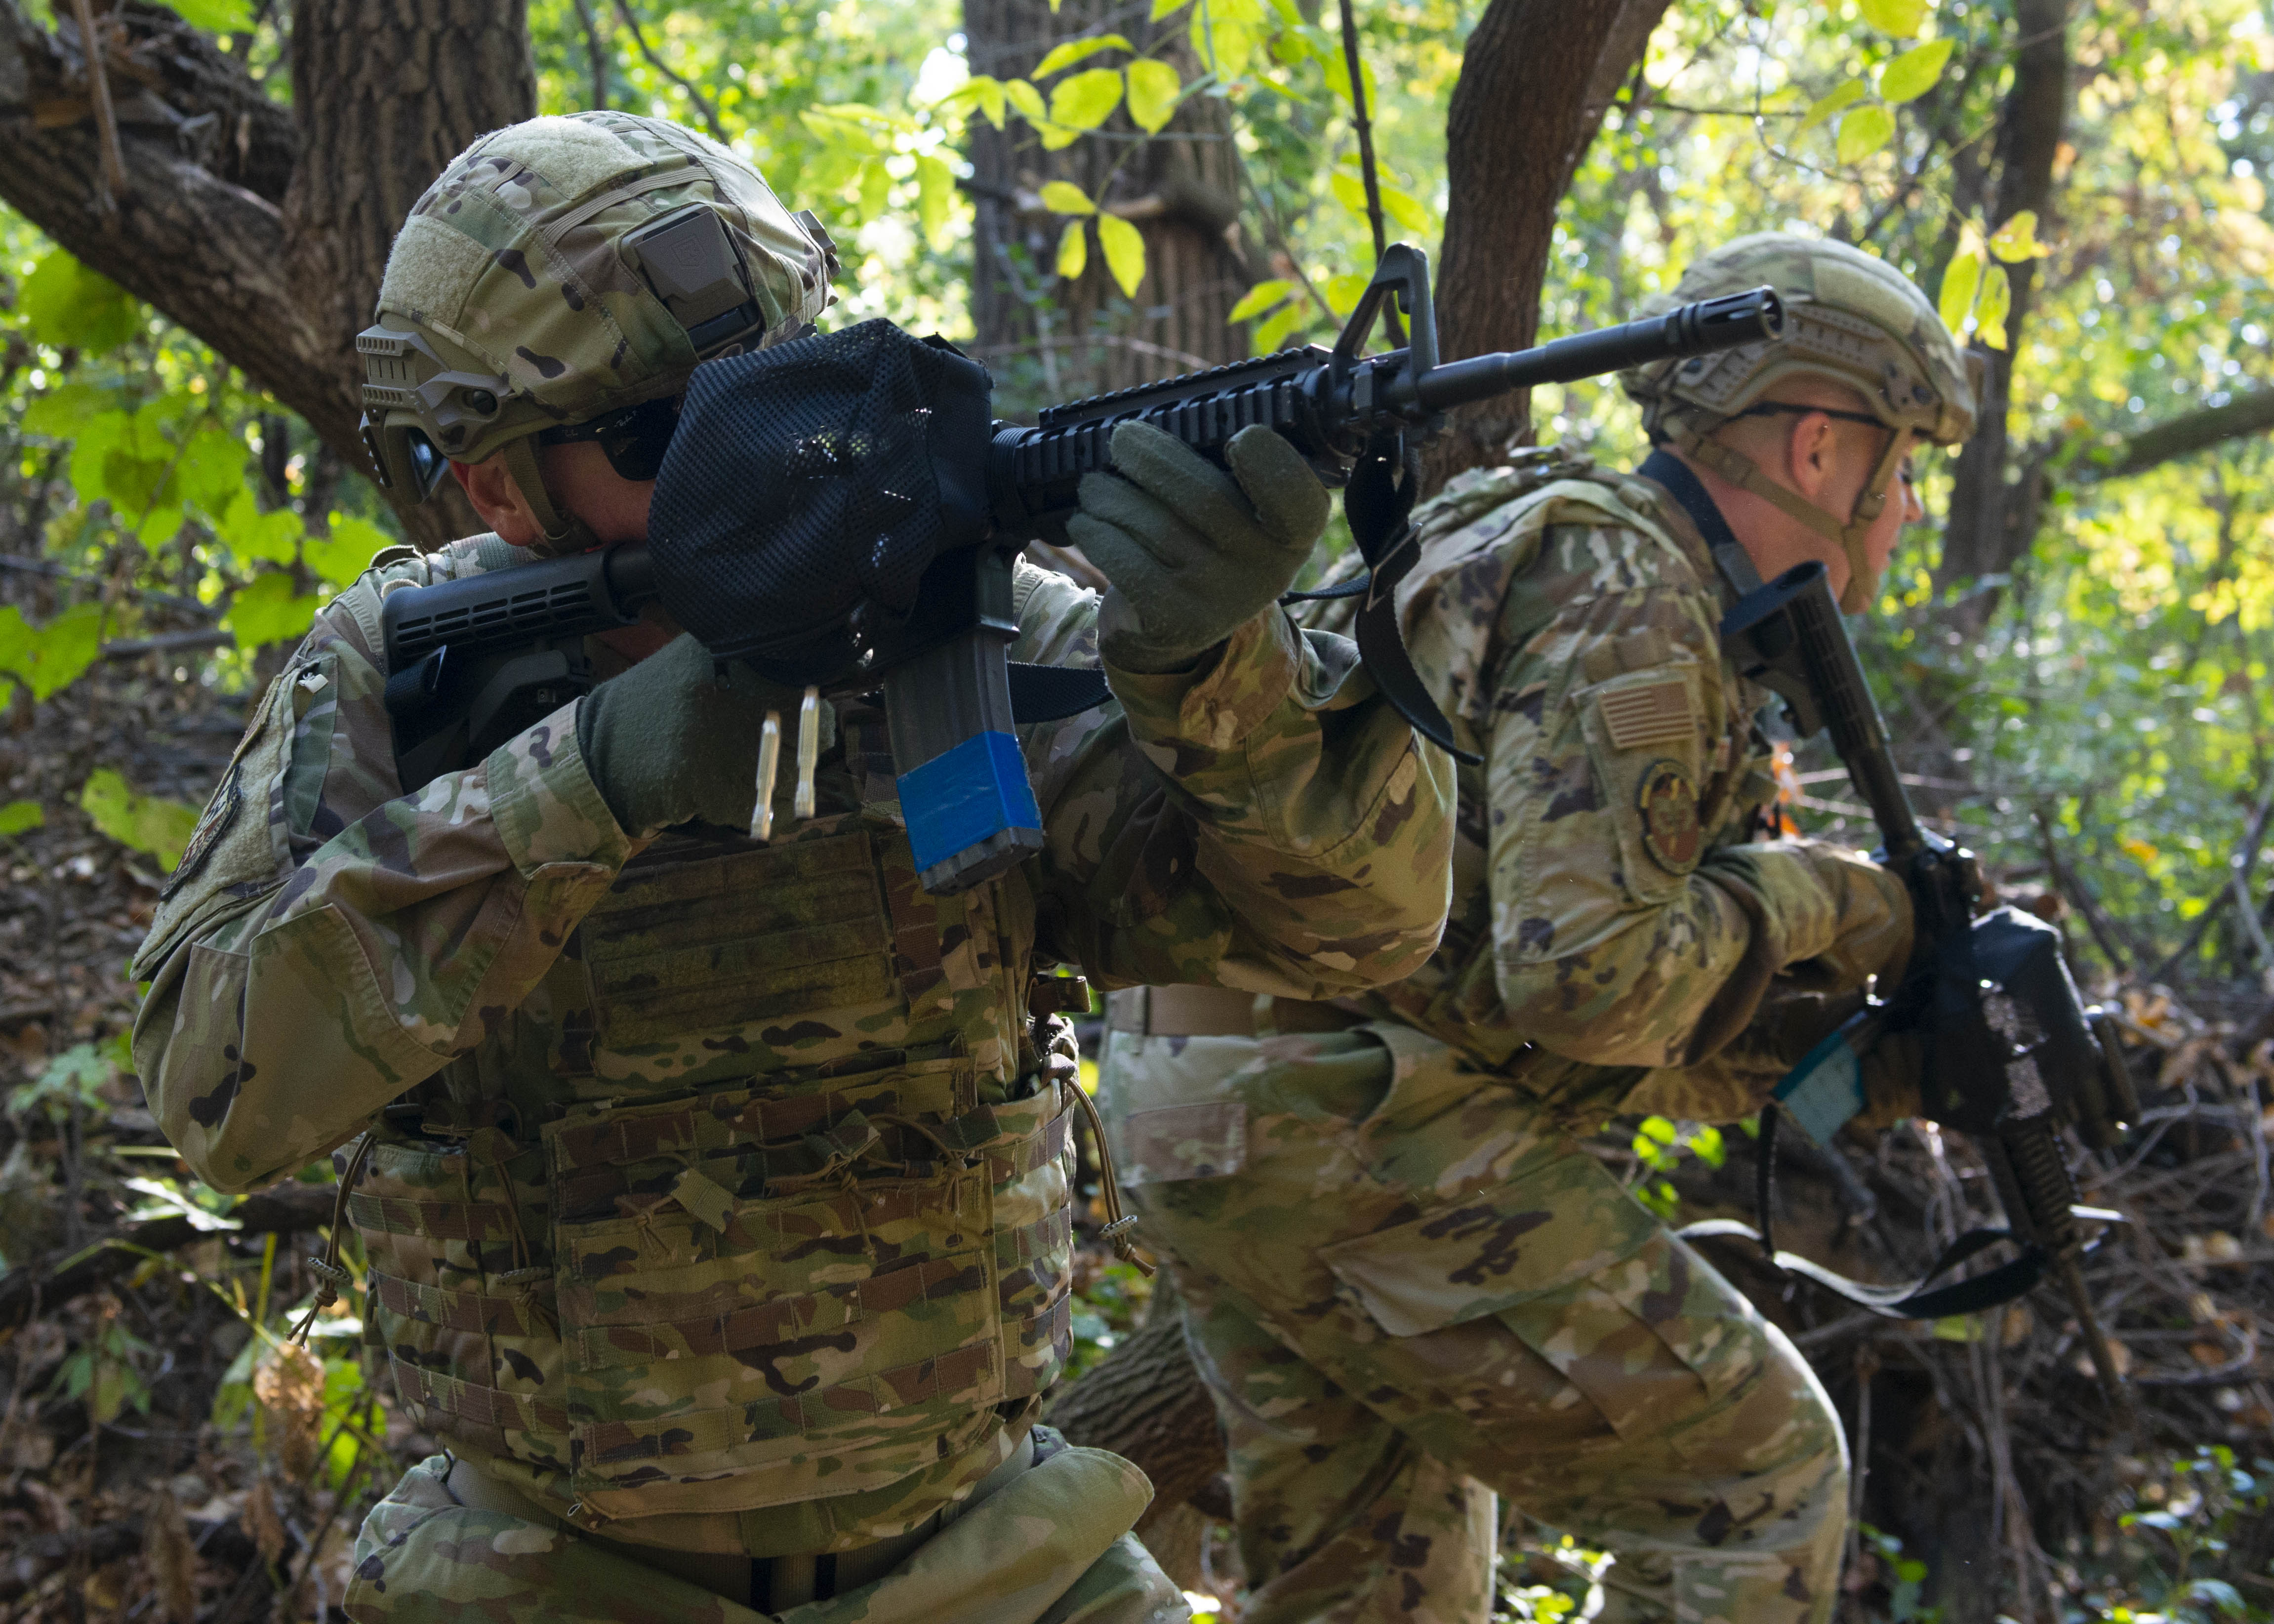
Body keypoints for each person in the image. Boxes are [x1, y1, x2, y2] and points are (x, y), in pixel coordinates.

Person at [130, 111, 1454, 1624]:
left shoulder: (971, 620)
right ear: (499, 486)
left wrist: (1222, 670)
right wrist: (581, 782)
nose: (753, 457)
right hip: (551, 1579)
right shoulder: (397, 677)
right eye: (660, 437)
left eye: (774, 385)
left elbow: (1371, 928)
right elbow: (210, 1095)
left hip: (995, 1557)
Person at [1096, 233, 1979, 1624]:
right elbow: (1586, 986)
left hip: (1239, 1088)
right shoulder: (1630, 595)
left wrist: (1860, 1071)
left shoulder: (1561, 542)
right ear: (1820, 447)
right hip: (1334, 1108)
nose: (1910, 507)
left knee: (1378, 1597)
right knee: (1758, 1490)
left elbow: (1557, 1007)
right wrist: (1841, 901)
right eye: (1905, 464)